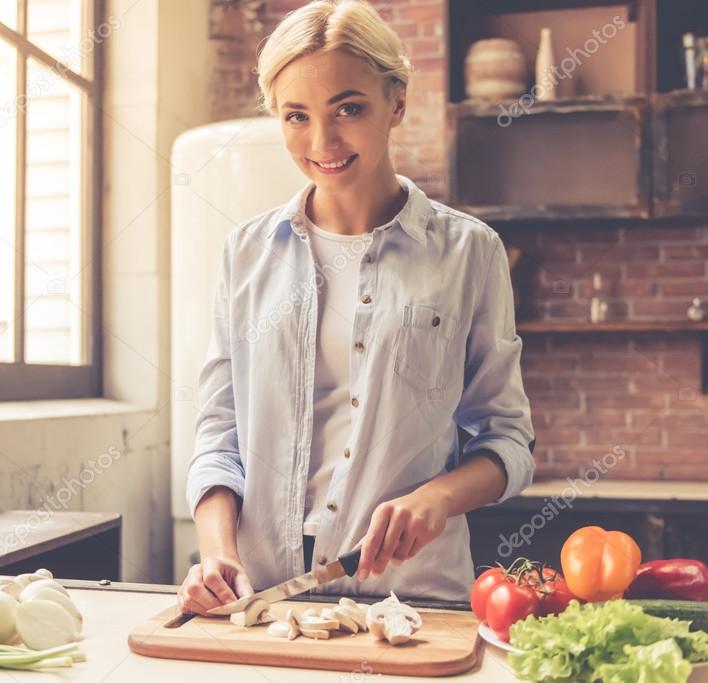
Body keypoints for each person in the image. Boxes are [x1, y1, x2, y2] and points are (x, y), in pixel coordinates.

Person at [177, 0, 535, 616]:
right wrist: (216, 553)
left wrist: (439, 497)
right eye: (297, 116)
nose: (323, 142)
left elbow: (508, 440)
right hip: (265, 601)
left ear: (395, 103)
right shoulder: (247, 253)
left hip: (416, 601)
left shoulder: (469, 252)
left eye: (349, 107)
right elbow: (219, 433)